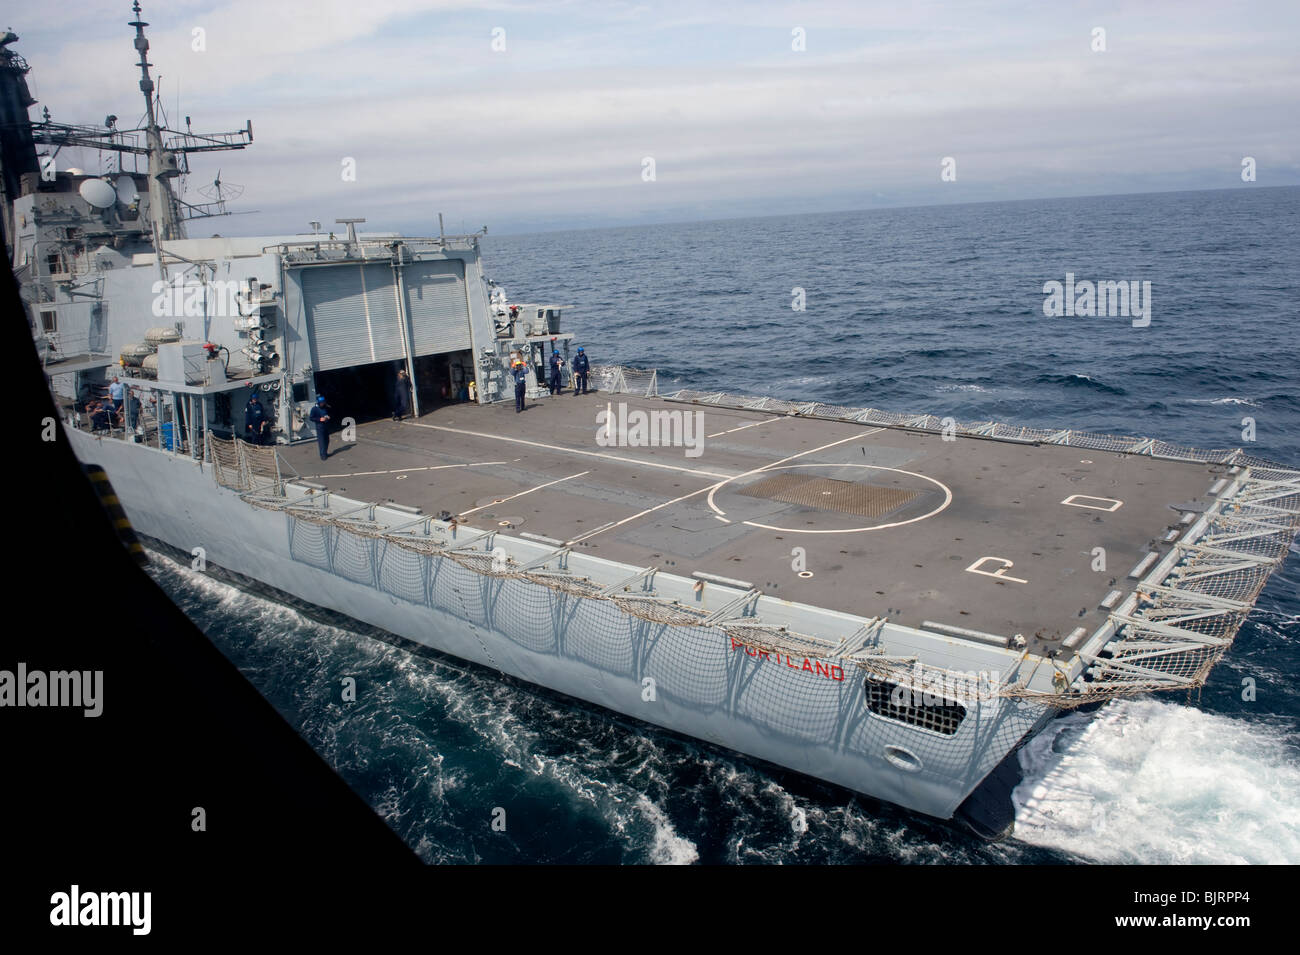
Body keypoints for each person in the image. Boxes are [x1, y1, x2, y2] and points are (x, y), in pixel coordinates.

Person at [309, 395, 332, 460]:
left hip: (326, 425)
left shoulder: (325, 407)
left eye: (323, 402)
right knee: (321, 441)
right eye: (321, 403)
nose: (323, 404)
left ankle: (325, 452)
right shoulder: (314, 409)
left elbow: (328, 412)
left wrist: (328, 416)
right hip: (320, 426)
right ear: (318, 403)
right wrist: (319, 419)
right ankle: (322, 455)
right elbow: (311, 418)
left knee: (327, 440)